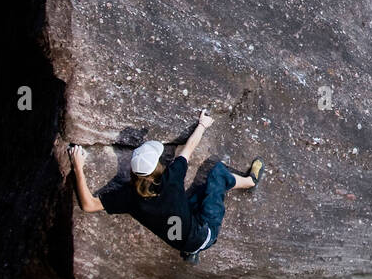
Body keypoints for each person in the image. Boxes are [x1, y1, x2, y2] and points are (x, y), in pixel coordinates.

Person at [70, 109, 262, 264]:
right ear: (158, 166)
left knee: (192, 201)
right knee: (217, 175)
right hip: (204, 232)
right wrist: (203, 124)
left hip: (179, 236)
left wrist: (78, 167)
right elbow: (188, 148)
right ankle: (250, 181)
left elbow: (89, 205)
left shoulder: (130, 197)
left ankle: (189, 251)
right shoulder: (171, 179)